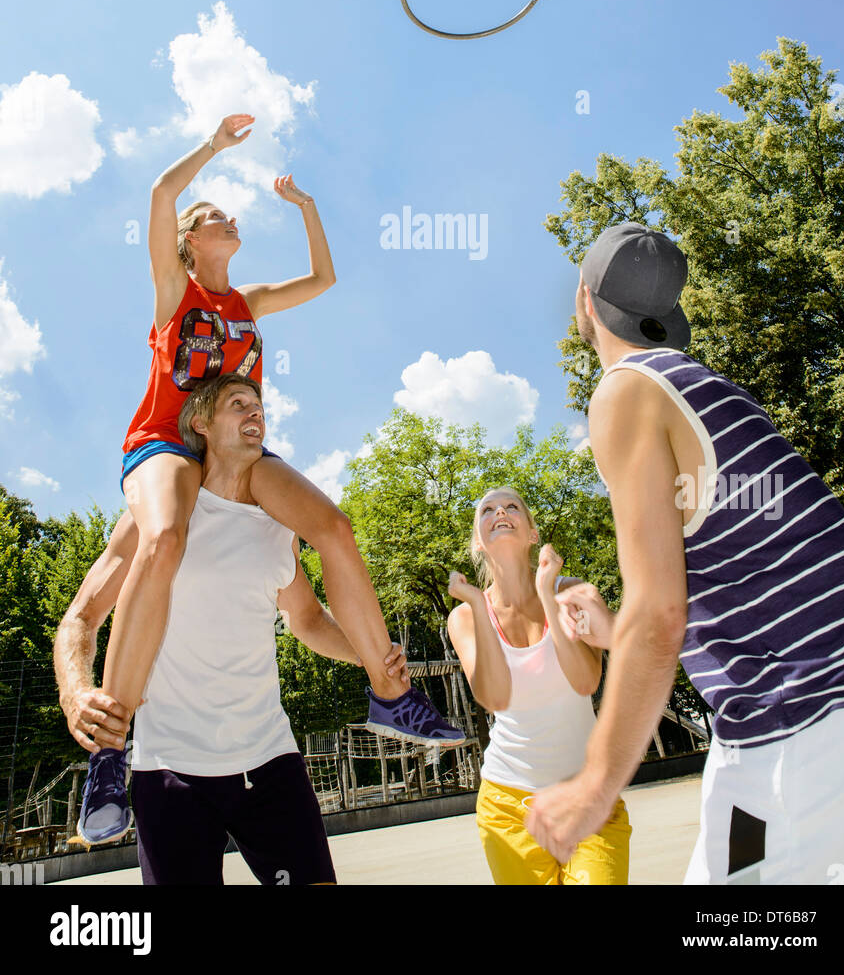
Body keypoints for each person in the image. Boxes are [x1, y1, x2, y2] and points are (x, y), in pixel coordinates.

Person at [78, 113, 463, 841]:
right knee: (163, 541)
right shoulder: (175, 294)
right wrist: (214, 147)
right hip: (167, 442)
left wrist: (307, 208)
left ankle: (389, 695)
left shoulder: (245, 305)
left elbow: (323, 278)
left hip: (241, 453)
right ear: (191, 242)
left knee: (332, 526)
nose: (227, 217)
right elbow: (162, 192)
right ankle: (110, 752)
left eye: (230, 214)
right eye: (212, 216)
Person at [525, 222, 844, 885]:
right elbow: (750, 572)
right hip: (793, 727)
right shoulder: (709, 390)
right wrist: (614, 635)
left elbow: (659, 615)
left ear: (584, 305)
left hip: (806, 729)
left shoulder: (624, 391)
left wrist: (596, 781)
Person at [55, 373, 413, 883]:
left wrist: (372, 656)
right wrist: (75, 692)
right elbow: (81, 618)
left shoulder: (277, 527)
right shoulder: (154, 521)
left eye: (259, 405)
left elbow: (307, 620)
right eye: (237, 403)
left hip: (268, 763)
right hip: (168, 769)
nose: (256, 413)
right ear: (199, 422)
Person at [447, 487, 631, 885]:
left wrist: (548, 594)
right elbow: (495, 697)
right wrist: (479, 606)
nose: (501, 512)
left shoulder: (571, 591)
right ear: (479, 541)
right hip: (508, 806)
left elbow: (586, 682)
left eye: (513, 506)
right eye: (488, 510)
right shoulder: (463, 617)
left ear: (532, 533)